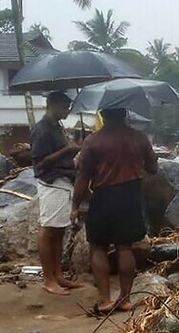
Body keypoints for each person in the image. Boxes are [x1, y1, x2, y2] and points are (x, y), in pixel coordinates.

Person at [71, 108, 158, 316]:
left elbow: (83, 176)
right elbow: (153, 168)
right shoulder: (139, 138)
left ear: (104, 115)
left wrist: (75, 206)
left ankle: (104, 300)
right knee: (125, 247)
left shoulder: (93, 141)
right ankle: (126, 300)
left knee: (98, 248)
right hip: (131, 197)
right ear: (125, 115)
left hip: (103, 196)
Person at [30, 91, 83, 296]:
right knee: (48, 229)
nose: (67, 110)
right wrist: (67, 150)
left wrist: (72, 149)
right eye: (64, 106)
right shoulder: (42, 129)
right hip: (51, 182)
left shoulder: (57, 127)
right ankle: (48, 279)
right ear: (52, 104)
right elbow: (39, 162)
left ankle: (58, 274)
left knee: (59, 230)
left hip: (63, 181)